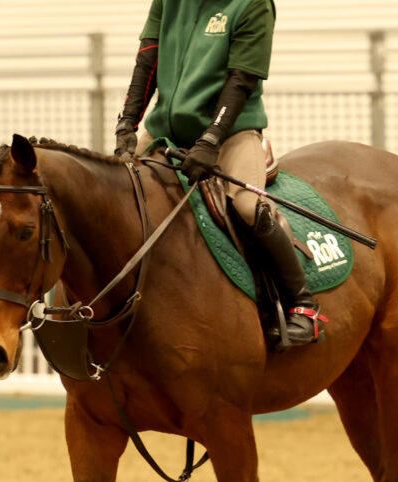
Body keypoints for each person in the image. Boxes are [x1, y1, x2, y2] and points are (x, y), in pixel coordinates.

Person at [114, 0, 324, 349]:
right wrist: (127, 122)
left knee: (246, 206)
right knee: (117, 196)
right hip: (165, 130)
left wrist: (211, 139)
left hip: (231, 133)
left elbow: (241, 80)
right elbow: (148, 60)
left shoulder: (253, 4)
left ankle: (303, 305)